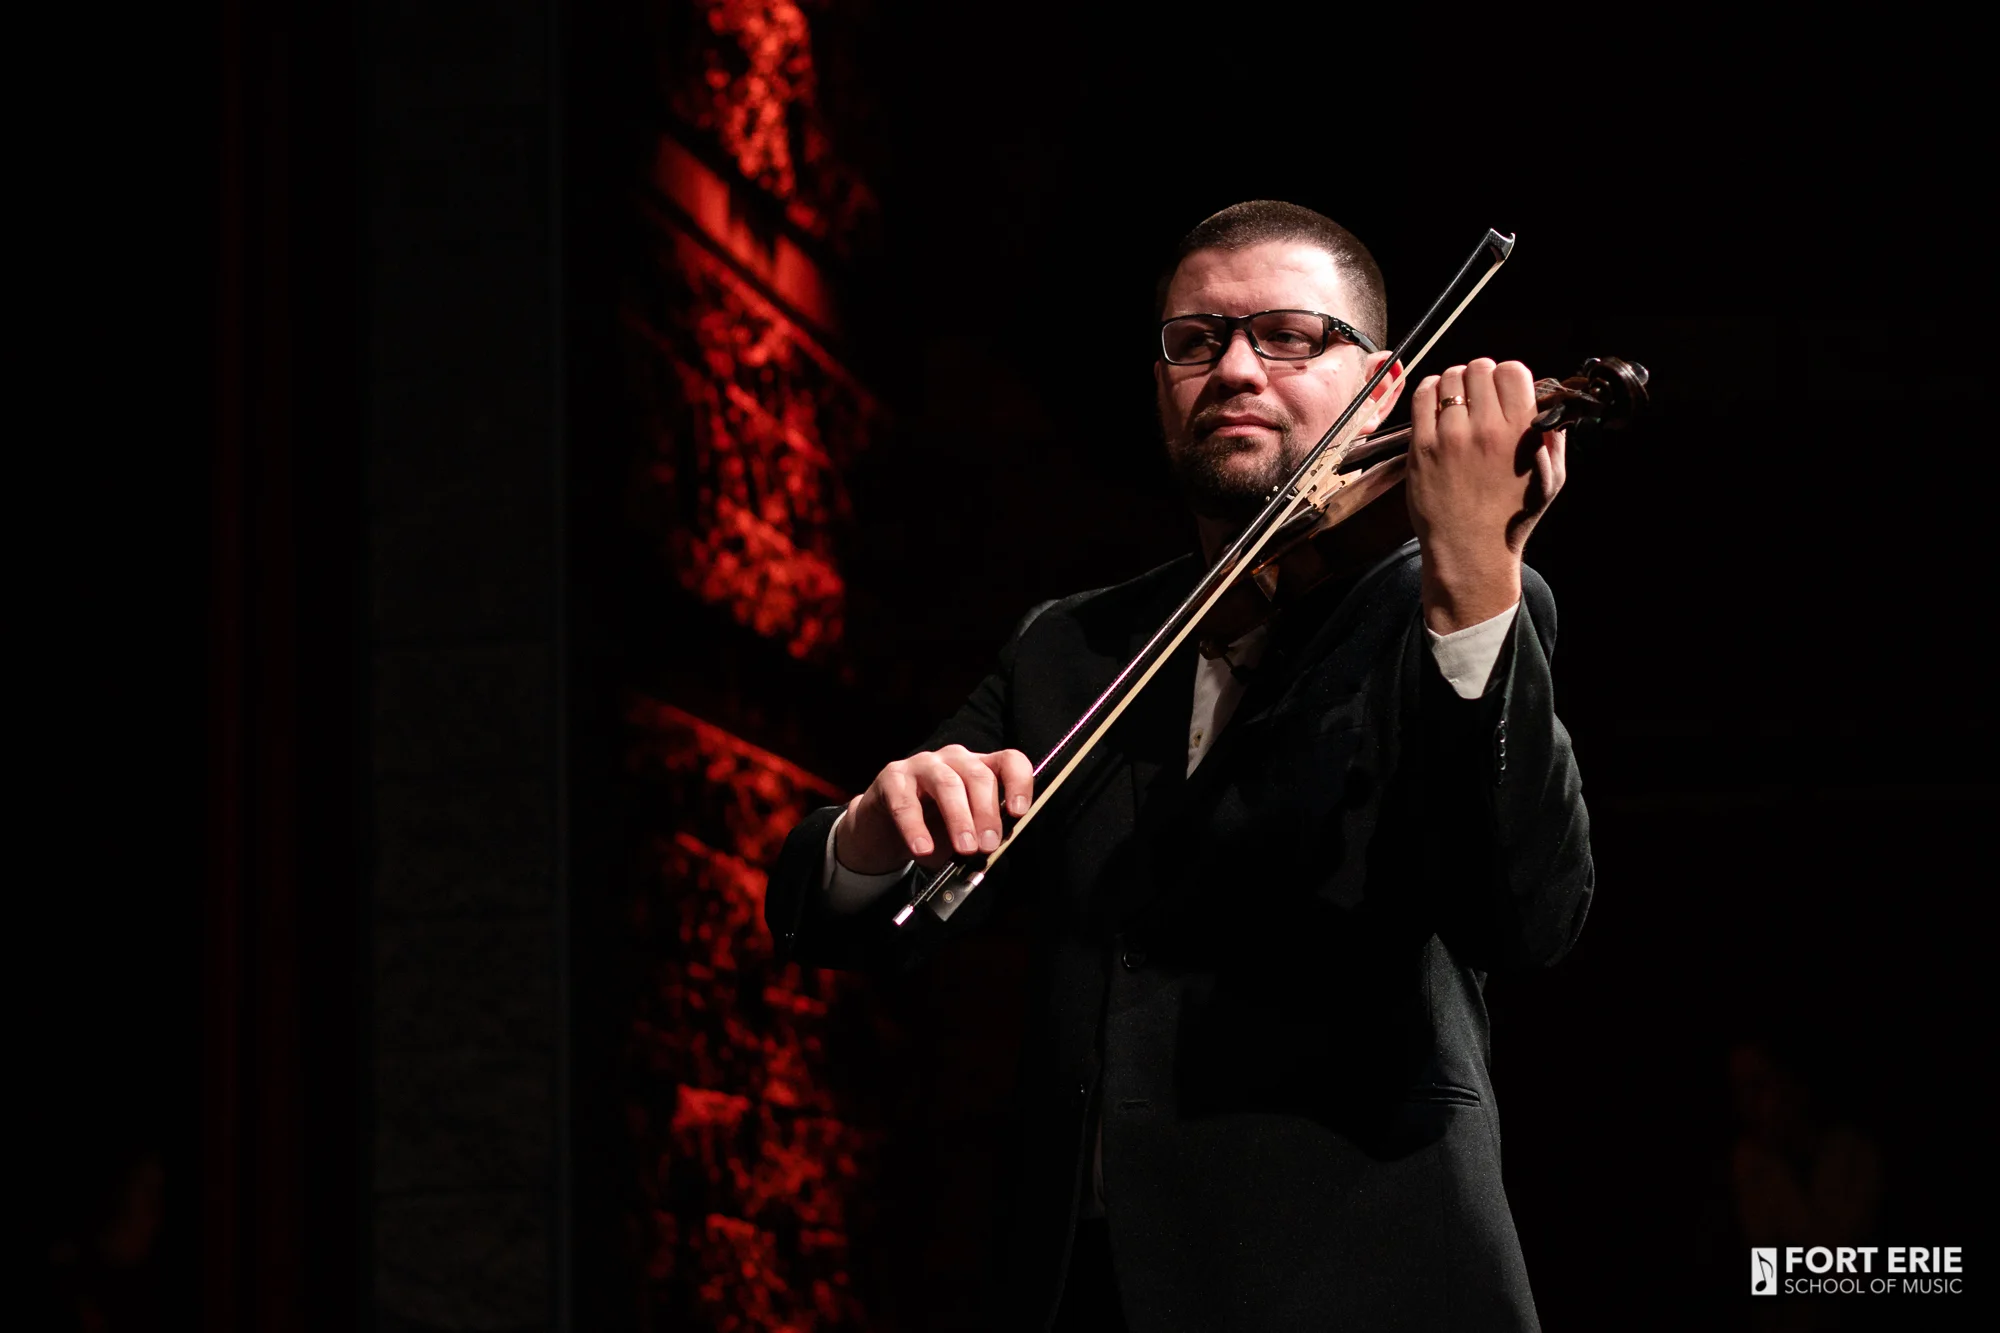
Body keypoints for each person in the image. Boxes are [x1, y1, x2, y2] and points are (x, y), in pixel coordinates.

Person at [765, 200, 1594, 1332]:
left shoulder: (1442, 611)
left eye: (1291, 335)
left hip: (1366, 1278)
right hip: (1086, 1289)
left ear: (1385, 386)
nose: (1235, 367)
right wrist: (868, 831)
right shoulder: (1075, 645)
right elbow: (836, 921)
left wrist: (1469, 582)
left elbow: (1521, 912)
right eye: (1193, 340)